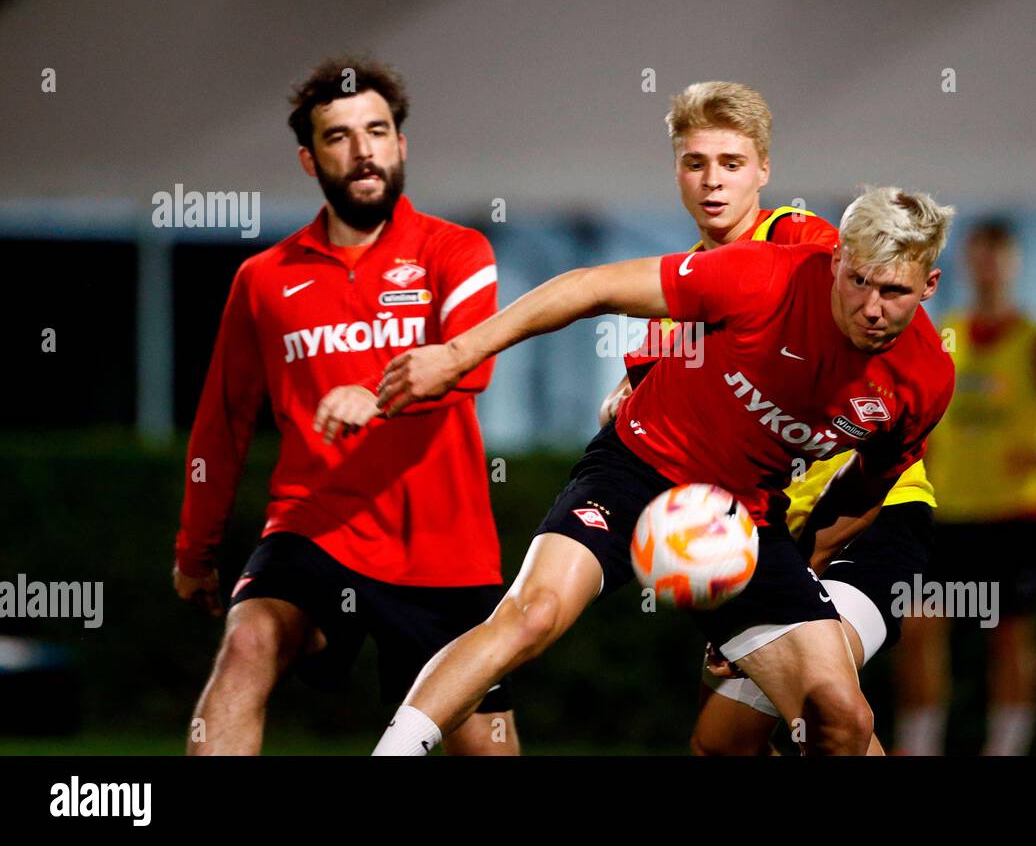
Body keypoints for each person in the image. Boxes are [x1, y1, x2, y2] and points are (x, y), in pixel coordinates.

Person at [322, 185, 954, 756]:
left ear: (928, 286)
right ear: (838, 259)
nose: (871, 308)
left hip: (737, 522)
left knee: (841, 717)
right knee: (533, 614)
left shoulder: (924, 379)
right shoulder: (763, 276)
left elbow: (865, 489)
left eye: (894, 291)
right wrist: (456, 354)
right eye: (859, 282)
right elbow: (589, 287)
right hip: (638, 466)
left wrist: (796, 572)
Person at [175, 57, 517, 755]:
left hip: (445, 552)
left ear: (401, 145)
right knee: (247, 641)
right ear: (309, 158)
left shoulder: (457, 250)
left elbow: (472, 364)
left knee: (488, 747)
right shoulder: (263, 280)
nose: (363, 151)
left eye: (378, 131)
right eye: (339, 136)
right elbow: (223, 422)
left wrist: (377, 396)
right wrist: (194, 549)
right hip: (315, 525)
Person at [593, 81, 942, 755]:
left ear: (763, 169)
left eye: (730, 163)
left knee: (828, 710)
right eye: (697, 164)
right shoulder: (692, 287)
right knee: (727, 742)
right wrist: (633, 382)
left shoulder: (802, 243)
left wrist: (782, 561)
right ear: (676, 171)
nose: (713, 183)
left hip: (870, 515)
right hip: (772, 533)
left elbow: (865, 381)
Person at [892, 218, 1036, 756]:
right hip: (945, 512)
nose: (987, 268)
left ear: (1014, 264)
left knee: (1009, 635)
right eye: (979, 256)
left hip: (1012, 515)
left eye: (998, 256)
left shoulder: (1034, 340)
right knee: (918, 631)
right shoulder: (947, 333)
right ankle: (919, 744)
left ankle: (1007, 747)